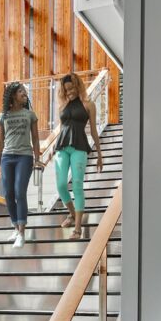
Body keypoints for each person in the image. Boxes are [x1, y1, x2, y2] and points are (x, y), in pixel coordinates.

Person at [0, 81, 42, 249]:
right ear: (13, 95)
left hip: (24, 157)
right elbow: (0, 142)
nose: (24, 94)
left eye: (25, 91)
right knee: (7, 193)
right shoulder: (3, 116)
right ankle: (15, 227)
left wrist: (37, 159)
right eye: (21, 91)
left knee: (20, 192)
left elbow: (35, 138)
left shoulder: (30, 115)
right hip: (7, 157)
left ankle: (21, 233)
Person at [54, 72, 102, 239]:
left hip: (79, 147)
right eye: (66, 90)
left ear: (78, 86)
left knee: (77, 185)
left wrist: (99, 155)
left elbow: (94, 131)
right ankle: (72, 213)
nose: (70, 92)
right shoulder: (63, 106)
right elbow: (61, 129)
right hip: (62, 147)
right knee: (60, 185)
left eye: (72, 88)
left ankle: (77, 229)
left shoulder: (89, 104)